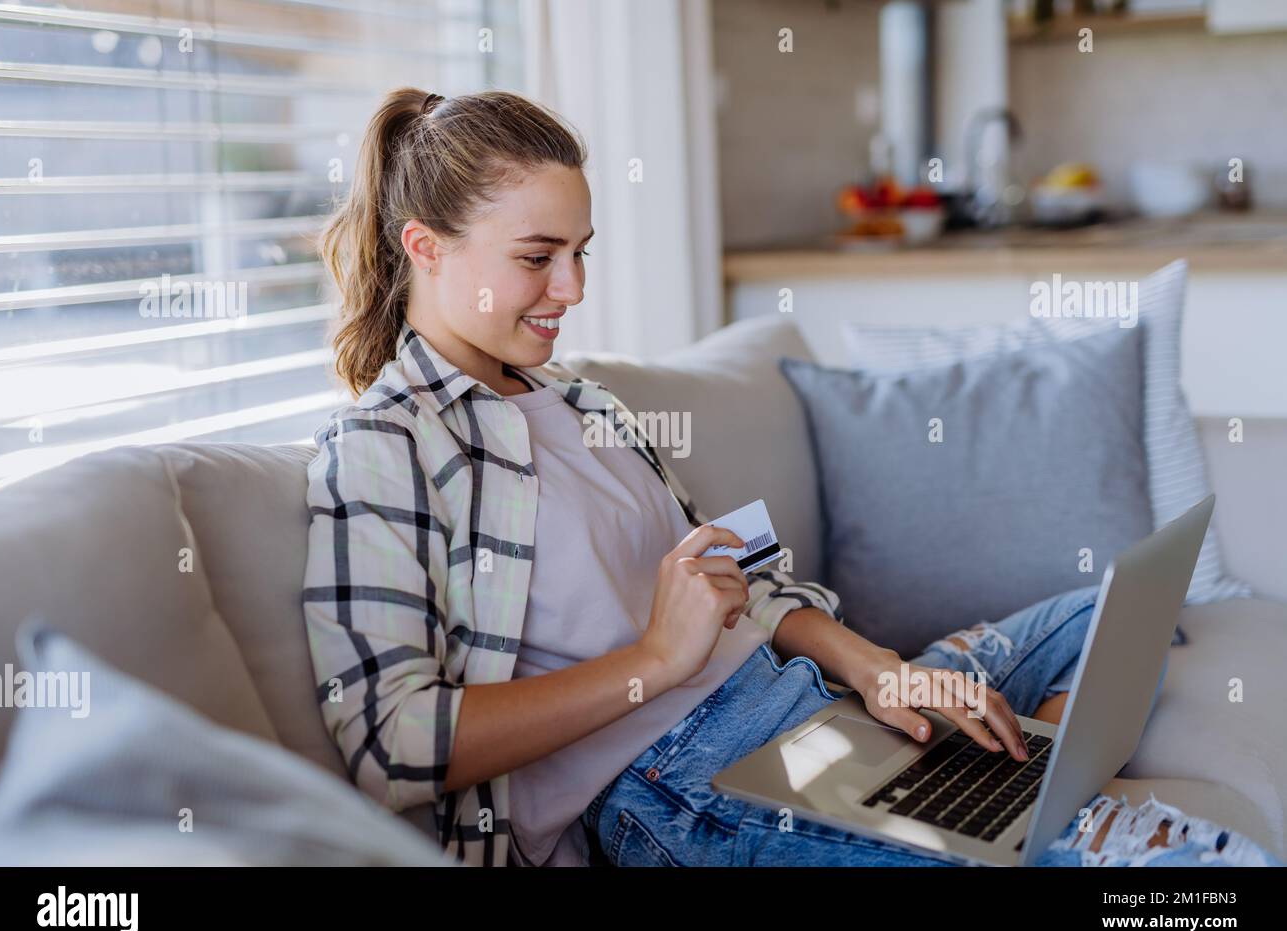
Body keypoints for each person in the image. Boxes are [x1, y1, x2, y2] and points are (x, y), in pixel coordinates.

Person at [301, 87, 1280, 868]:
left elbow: (746, 579)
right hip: (679, 778)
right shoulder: (384, 450)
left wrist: (879, 667)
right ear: (424, 248)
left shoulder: (581, 401)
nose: (574, 290)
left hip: (810, 708)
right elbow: (395, 744)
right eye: (538, 258)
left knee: (1106, 616)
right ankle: (1023, 818)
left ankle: (1005, 782)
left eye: (580, 253)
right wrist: (655, 655)